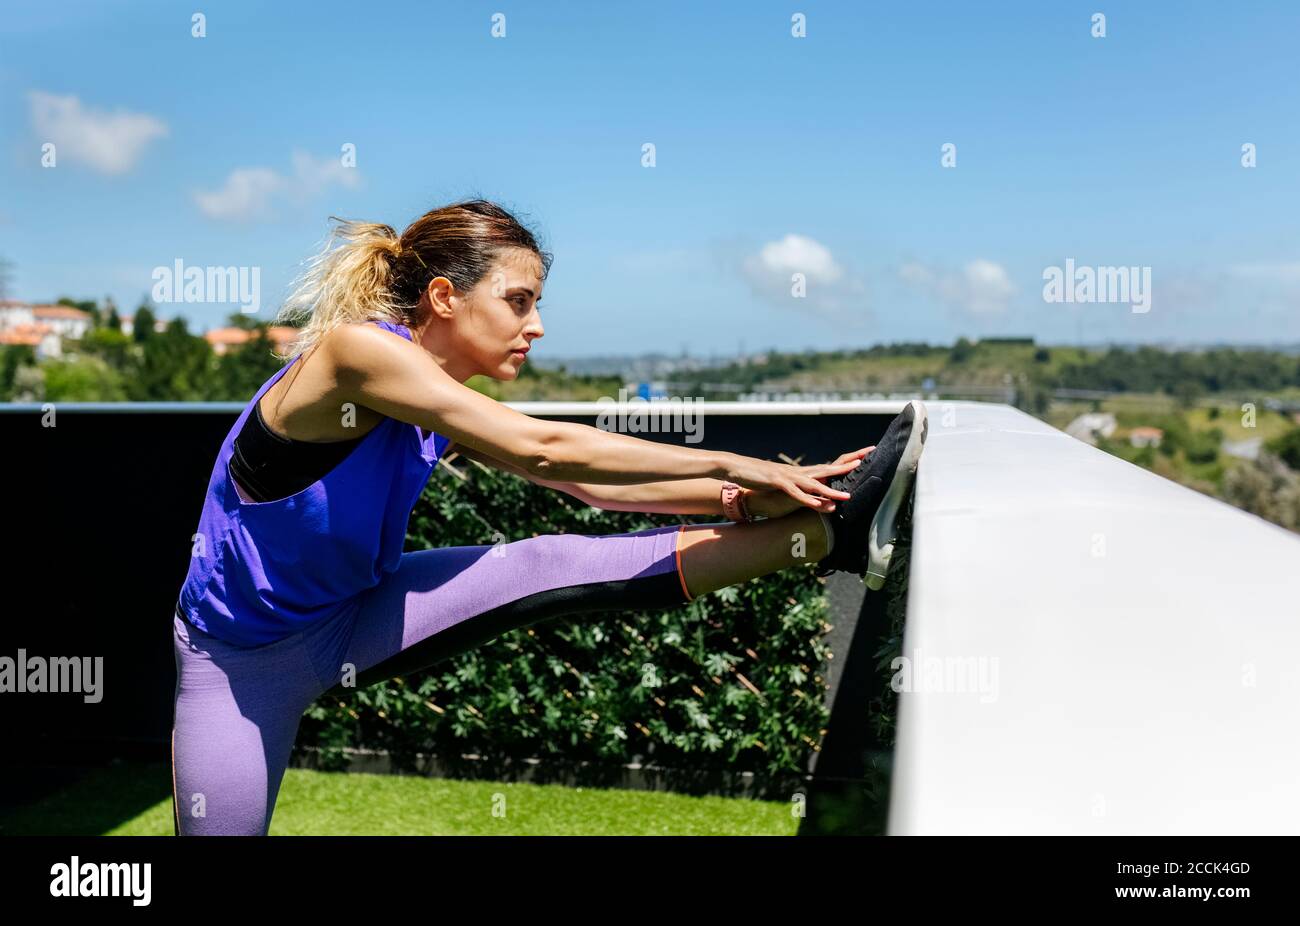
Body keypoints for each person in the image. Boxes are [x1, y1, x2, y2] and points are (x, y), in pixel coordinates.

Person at [170, 199, 924, 835]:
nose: (535, 326)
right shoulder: (355, 353)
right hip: (237, 665)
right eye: (519, 301)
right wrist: (734, 464)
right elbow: (546, 450)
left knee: (546, 563)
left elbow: (595, 489)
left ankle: (834, 533)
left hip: (353, 612)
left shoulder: (434, 396)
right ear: (443, 297)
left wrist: (753, 499)